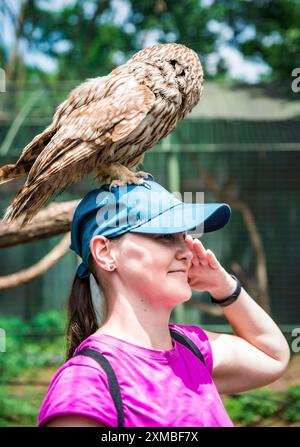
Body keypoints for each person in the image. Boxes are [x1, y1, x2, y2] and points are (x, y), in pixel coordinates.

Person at [37, 177, 290, 427]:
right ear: (105, 252)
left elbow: (273, 356)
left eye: (183, 237)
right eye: (164, 236)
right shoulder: (86, 382)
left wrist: (224, 287)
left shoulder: (191, 347)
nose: (188, 252)